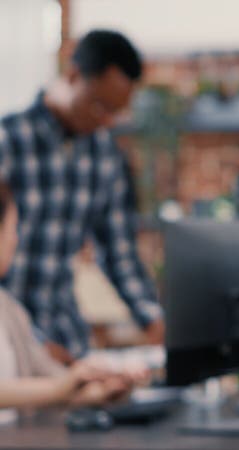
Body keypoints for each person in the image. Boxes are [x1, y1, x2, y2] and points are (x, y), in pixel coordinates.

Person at [0, 29, 163, 363]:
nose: (105, 120)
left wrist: (153, 318)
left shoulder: (105, 156)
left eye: (115, 112)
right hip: (7, 344)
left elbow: (119, 252)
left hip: (67, 342)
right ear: (73, 74)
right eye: (99, 105)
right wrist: (30, 345)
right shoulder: (7, 141)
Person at [0, 182, 133, 416]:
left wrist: (100, 388)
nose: (15, 240)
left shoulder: (9, 309)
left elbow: (51, 377)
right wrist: (59, 388)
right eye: (11, 229)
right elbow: (54, 388)